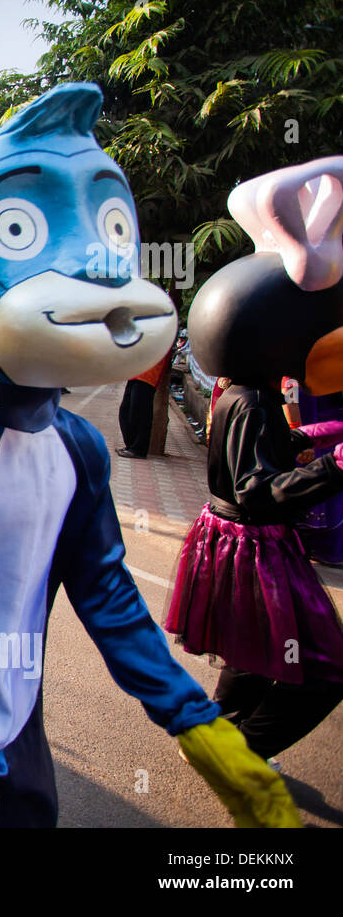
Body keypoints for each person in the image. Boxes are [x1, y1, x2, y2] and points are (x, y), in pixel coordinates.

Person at [0, 83, 297, 828]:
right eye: (19, 227)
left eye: (111, 223)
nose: (98, 259)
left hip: (20, 726)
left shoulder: (80, 448)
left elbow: (106, 595)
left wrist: (194, 720)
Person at [168, 157, 343, 767]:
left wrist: (321, 434)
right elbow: (259, 489)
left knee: (250, 649)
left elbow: (266, 456)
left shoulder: (246, 393)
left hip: (238, 542)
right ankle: (239, 752)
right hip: (255, 545)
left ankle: (214, 737)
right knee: (324, 666)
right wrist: (335, 466)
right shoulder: (252, 401)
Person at [116, 349, 171, 458]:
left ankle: (138, 449)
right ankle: (130, 445)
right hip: (138, 368)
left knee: (140, 409)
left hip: (151, 368)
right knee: (126, 409)